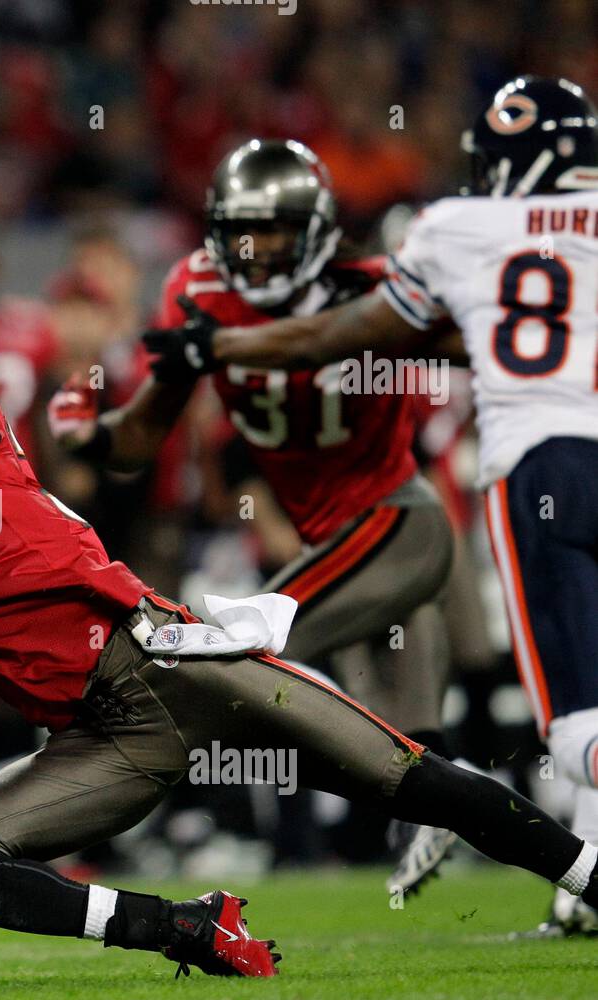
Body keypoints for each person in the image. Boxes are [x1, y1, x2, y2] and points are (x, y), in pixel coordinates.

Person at [0, 304, 598, 978]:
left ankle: (590, 877)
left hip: (169, 663)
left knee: (412, 779)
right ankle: (185, 931)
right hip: (101, 734)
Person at [143, 77, 598, 935]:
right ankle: (480, 820)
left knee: (557, 712)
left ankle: (455, 801)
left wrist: (218, 346)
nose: (262, 252)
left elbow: (344, 338)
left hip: (501, 480)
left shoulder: (454, 233)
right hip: (404, 516)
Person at [49, 140, 458, 888]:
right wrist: (93, 434)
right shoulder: (198, 289)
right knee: (398, 737)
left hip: (398, 522)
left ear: (317, 230)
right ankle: (451, 813)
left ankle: (151, 822)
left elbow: (460, 345)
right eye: (244, 228)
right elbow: (145, 433)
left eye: (275, 230)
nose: (257, 249)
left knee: (220, 657)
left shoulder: (374, 287)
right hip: (333, 543)